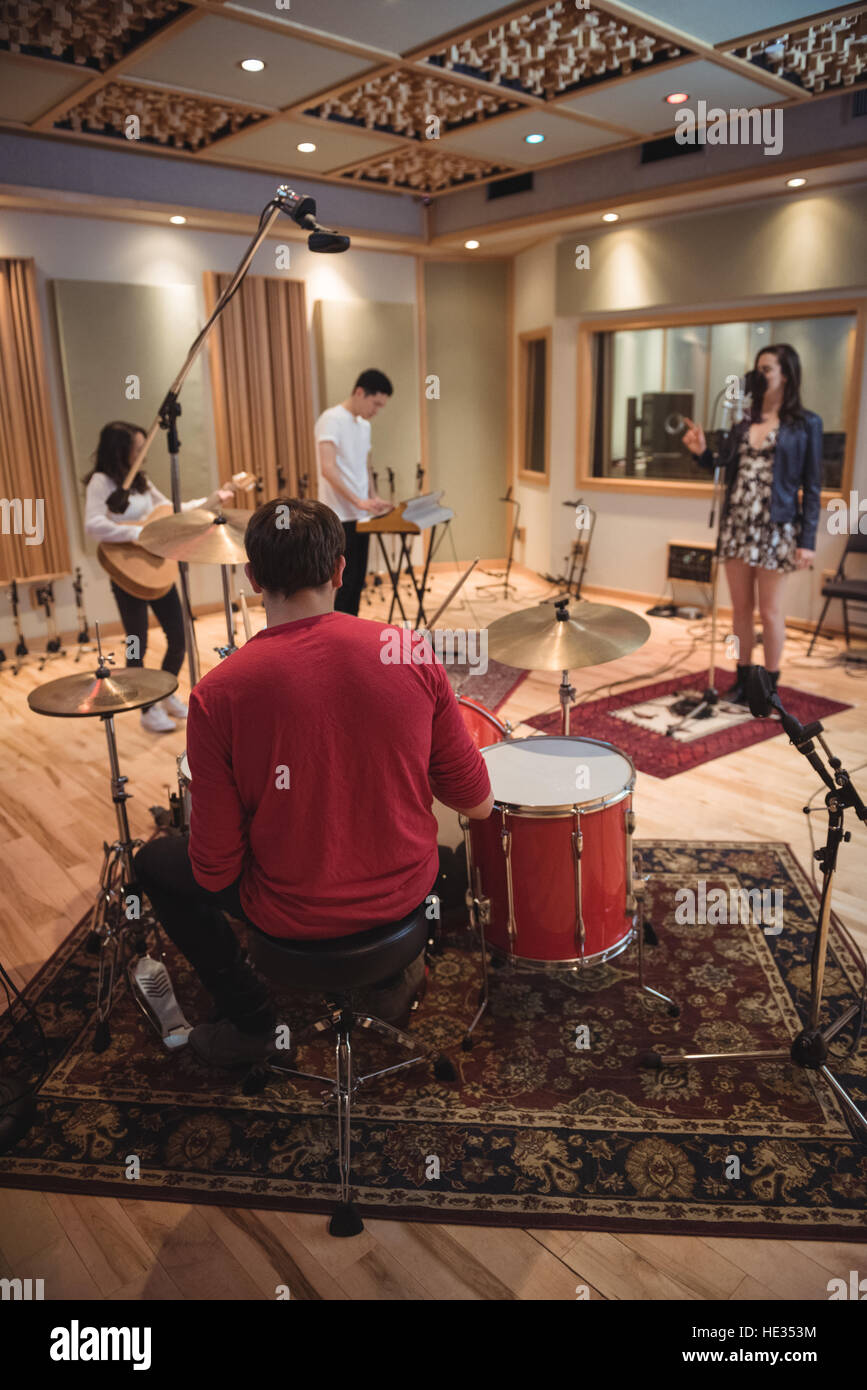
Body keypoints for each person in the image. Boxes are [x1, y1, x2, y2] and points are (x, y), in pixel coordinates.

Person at [134, 497, 493, 1067]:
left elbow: (216, 868)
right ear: (340, 570)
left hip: (290, 916)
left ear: (252, 578)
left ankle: (253, 1023)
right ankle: (395, 975)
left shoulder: (218, 694)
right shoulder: (410, 653)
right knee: (445, 854)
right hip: (404, 896)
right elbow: (476, 803)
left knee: (155, 863)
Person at [683, 344, 823, 704]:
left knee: (771, 611)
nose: (758, 376)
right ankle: (742, 678)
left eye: (766, 369)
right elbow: (724, 466)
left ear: (786, 375)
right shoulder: (744, 423)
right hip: (737, 525)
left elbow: (813, 484)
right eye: (757, 369)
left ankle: (769, 686)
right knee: (740, 610)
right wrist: (701, 453)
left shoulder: (806, 424)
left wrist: (807, 540)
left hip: (776, 528)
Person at [84, 421, 233, 733]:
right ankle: (146, 708)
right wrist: (140, 533)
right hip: (127, 572)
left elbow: (170, 510)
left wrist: (213, 498)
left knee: (179, 636)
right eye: (137, 448)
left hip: (155, 568)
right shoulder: (101, 481)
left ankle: (165, 693)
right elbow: (94, 525)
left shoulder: (141, 481)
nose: (142, 453)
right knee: (137, 641)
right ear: (119, 449)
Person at [314, 368, 394, 615]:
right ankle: (336, 638)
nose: (376, 411)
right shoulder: (331, 419)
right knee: (341, 582)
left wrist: (372, 497)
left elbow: (364, 466)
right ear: (360, 392)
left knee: (358, 579)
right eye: (375, 403)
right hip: (339, 515)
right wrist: (358, 501)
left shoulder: (364, 426)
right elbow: (327, 468)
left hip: (361, 515)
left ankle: (351, 631)